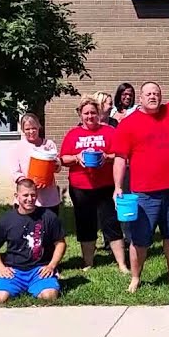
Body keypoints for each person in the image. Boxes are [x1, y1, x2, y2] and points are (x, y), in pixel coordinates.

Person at [111, 62, 169, 292]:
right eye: (148, 94)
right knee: (140, 239)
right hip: (143, 193)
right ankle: (135, 278)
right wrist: (118, 187)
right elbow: (120, 157)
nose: (153, 97)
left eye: (157, 93)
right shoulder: (128, 124)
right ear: (140, 98)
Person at [60, 97, 127, 273]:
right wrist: (77, 157)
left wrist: (106, 156)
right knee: (85, 223)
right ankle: (88, 262)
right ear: (80, 115)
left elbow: (120, 154)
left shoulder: (110, 131)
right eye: (86, 113)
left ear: (99, 114)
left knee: (111, 223)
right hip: (80, 187)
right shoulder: (73, 134)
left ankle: (122, 264)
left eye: (93, 113)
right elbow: (63, 158)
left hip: (105, 185)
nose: (90, 116)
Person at [0, 179, 65, 304]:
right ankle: (16, 287)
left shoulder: (49, 217)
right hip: (14, 271)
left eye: (33, 195)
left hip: (39, 270)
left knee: (50, 296)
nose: (30, 199)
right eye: (25, 195)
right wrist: (1, 268)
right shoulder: (6, 220)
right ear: (17, 197)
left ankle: (40, 285)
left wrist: (51, 265)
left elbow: (60, 243)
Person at [9, 113, 61, 216]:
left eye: (34, 128)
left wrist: (57, 164)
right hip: (27, 197)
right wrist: (29, 185)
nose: (31, 132)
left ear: (39, 127)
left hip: (48, 197)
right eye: (27, 129)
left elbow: (57, 168)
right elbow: (15, 172)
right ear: (23, 129)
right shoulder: (17, 148)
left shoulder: (49, 144)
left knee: (49, 227)